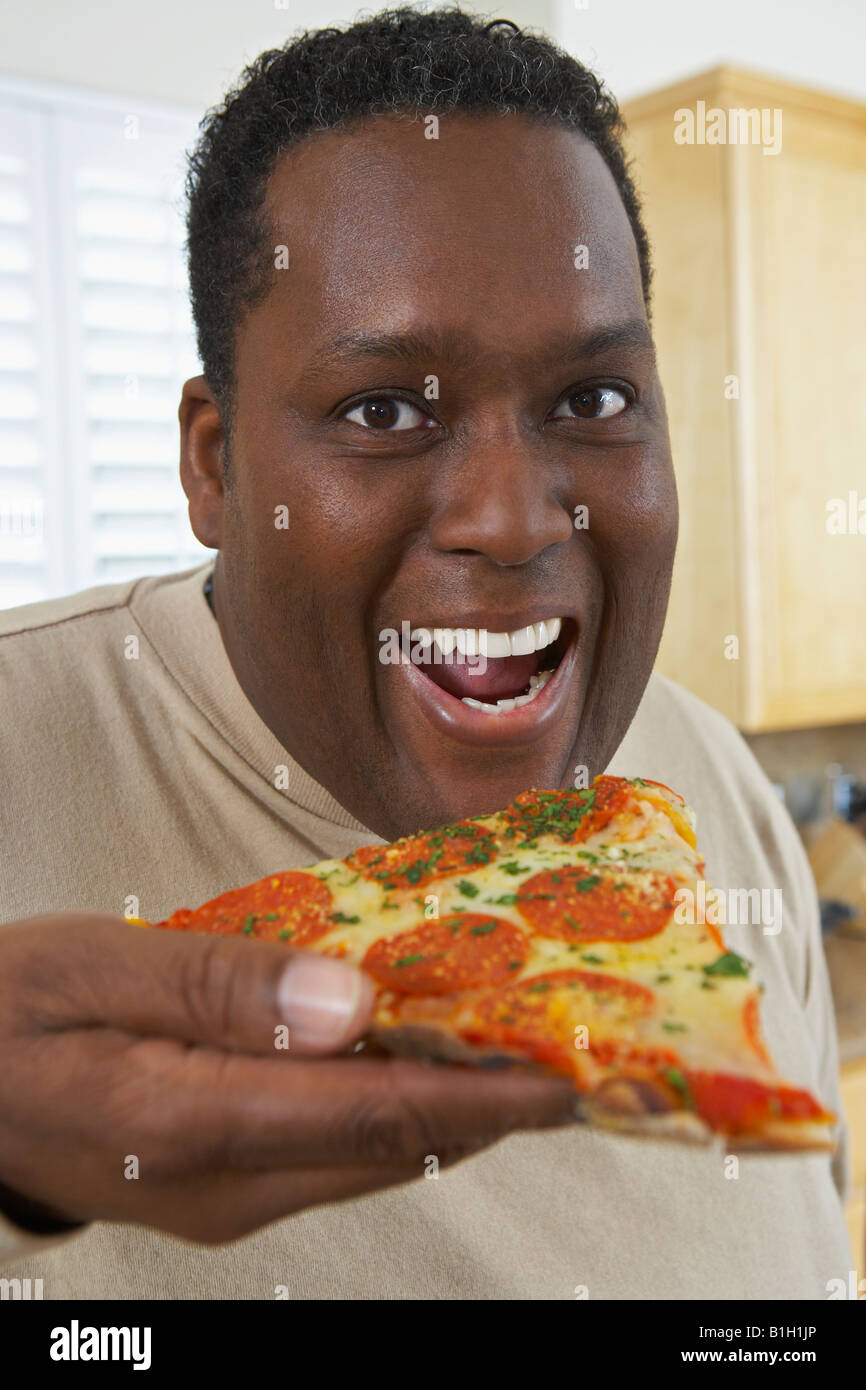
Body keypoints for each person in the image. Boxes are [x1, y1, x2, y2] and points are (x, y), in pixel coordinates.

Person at [0, 7, 851, 1299]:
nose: (512, 521)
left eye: (594, 399)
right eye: (384, 408)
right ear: (215, 467)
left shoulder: (708, 778)